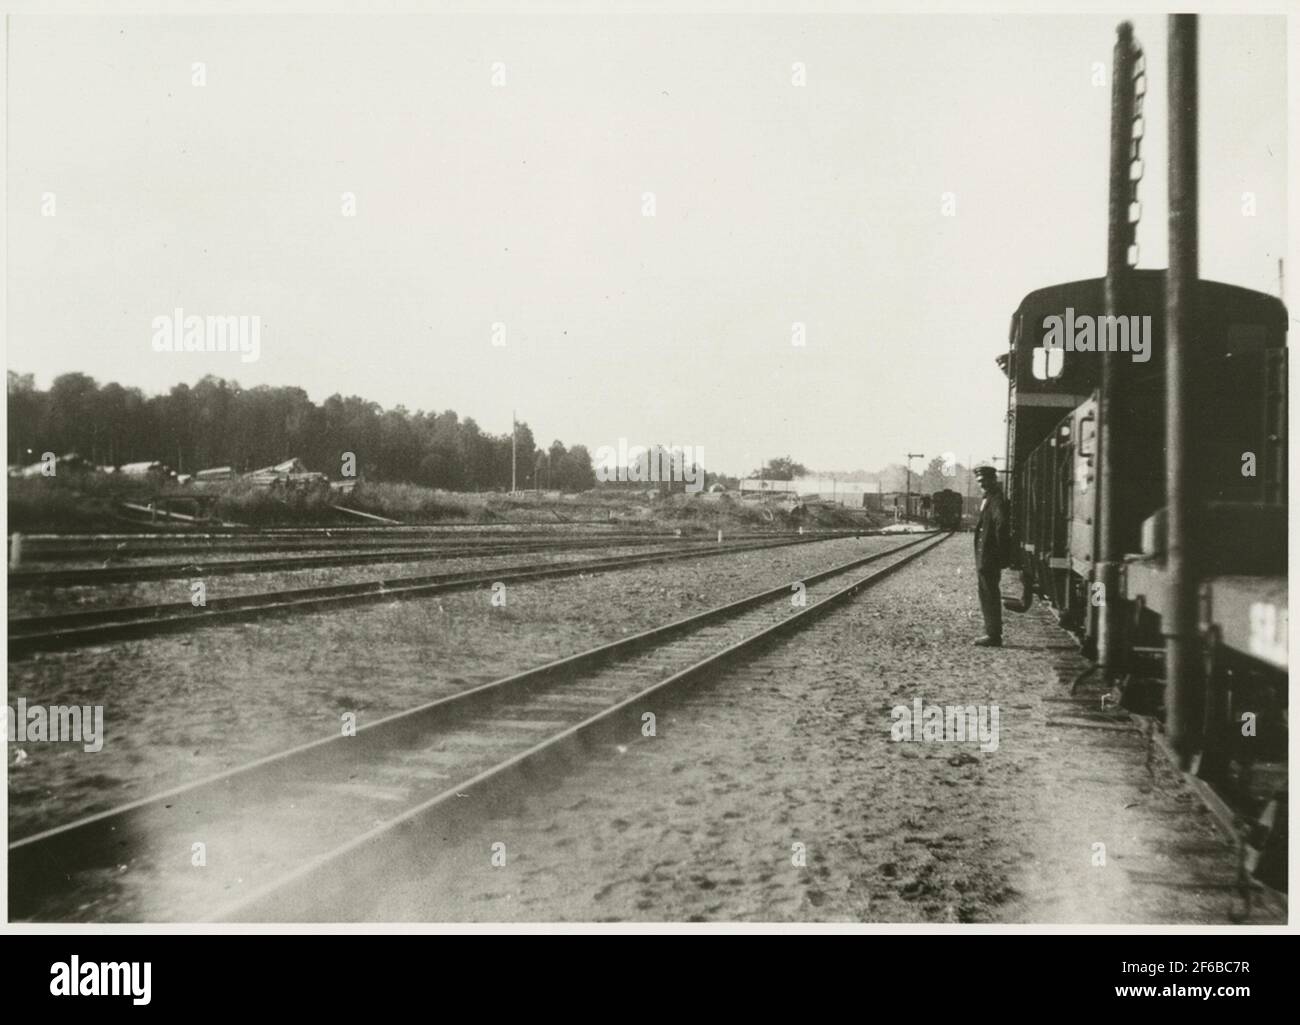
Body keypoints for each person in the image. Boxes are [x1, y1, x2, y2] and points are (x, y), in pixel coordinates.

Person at [972, 463, 1012, 647]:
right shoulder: (989, 497)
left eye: (985, 480)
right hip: (986, 556)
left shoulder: (996, 499)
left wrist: (1000, 554)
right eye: (979, 481)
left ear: (993, 480)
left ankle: (993, 635)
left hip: (989, 556)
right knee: (987, 593)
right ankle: (992, 632)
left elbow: (1001, 525)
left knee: (989, 594)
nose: (982, 484)